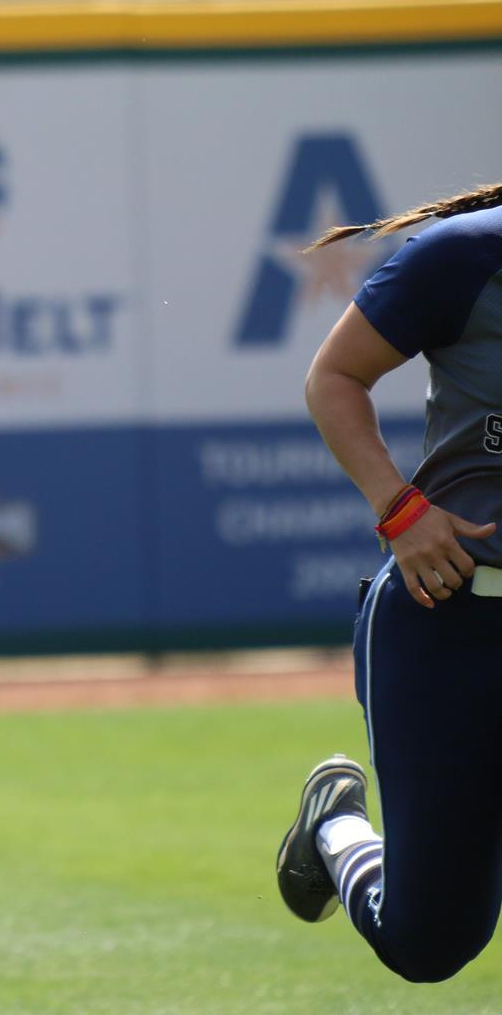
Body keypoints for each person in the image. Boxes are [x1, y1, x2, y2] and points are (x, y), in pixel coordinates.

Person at [275, 182, 502, 981]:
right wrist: (400, 509)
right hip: (455, 615)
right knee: (430, 942)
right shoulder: (467, 254)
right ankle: (335, 828)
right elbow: (333, 377)